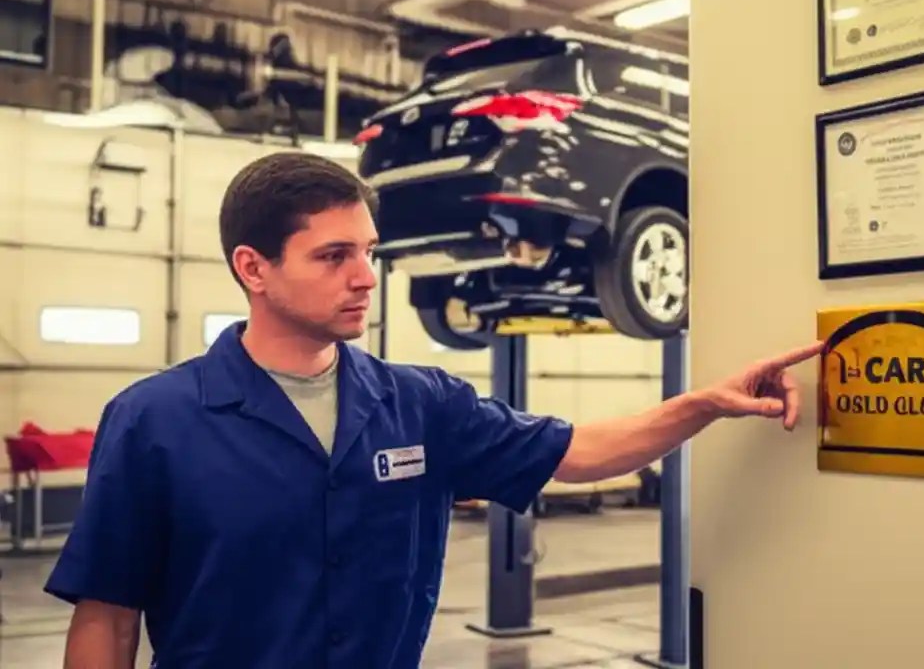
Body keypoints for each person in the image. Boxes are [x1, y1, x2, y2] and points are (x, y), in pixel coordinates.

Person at [44, 151, 822, 669]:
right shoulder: (156, 420)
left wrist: (705, 403)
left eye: (369, 253)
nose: (366, 278)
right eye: (333, 256)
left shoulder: (419, 404)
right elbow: (108, 618)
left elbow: (578, 451)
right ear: (254, 267)